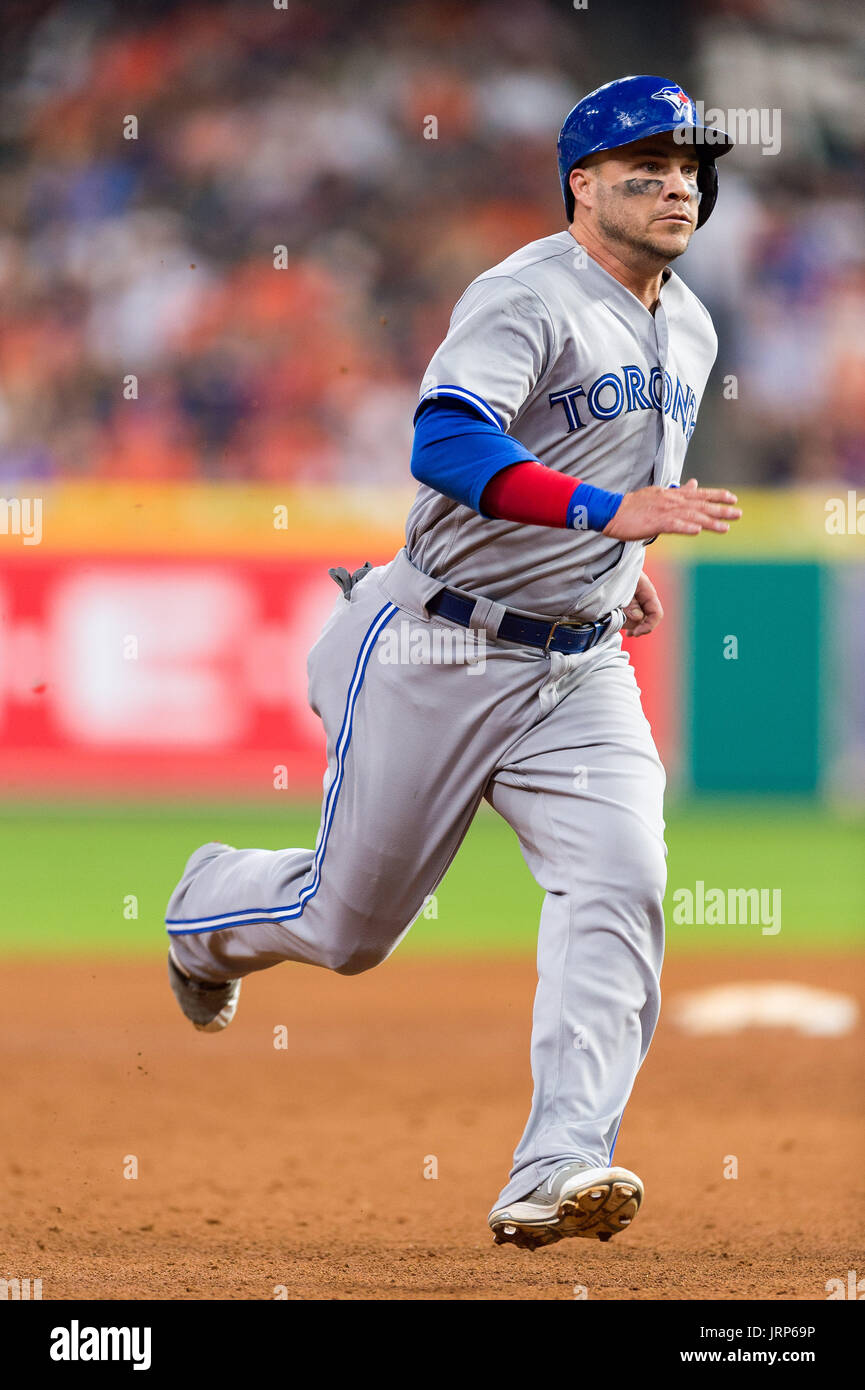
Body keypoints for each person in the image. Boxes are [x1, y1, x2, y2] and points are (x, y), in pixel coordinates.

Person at [165, 75, 741, 1250]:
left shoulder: (689, 319)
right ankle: (201, 911)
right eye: (647, 163)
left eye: (690, 166)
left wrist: (608, 563)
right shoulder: (525, 292)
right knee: (349, 928)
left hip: (578, 673)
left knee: (619, 885)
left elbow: (608, 466)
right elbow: (446, 440)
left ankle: (558, 1165)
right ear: (582, 183)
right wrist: (600, 515)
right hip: (438, 639)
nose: (676, 183)